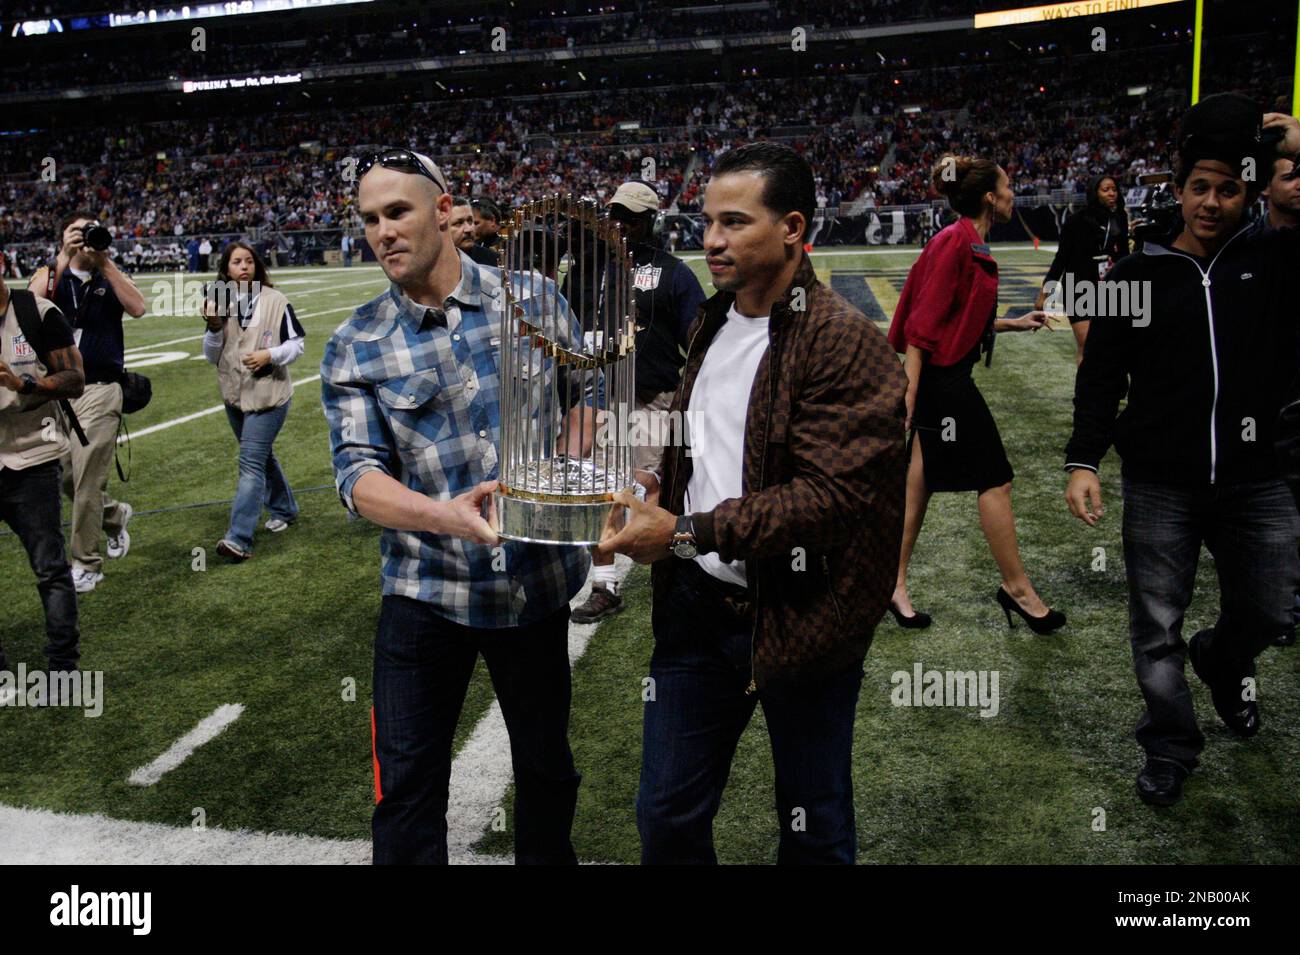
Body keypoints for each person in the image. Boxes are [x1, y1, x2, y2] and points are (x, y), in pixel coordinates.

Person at [598, 142, 907, 864]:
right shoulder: (712, 318)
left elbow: (828, 500)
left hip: (806, 614)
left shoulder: (846, 343)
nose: (711, 240)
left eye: (734, 223)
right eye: (707, 221)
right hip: (698, 616)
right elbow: (710, 438)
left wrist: (684, 531)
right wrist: (657, 487)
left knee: (813, 821)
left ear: (793, 227)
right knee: (667, 815)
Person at [320, 148, 597, 865]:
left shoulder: (532, 299)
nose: (382, 231)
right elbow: (357, 476)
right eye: (369, 219)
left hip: (535, 580)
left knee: (545, 766)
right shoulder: (356, 343)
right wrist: (449, 516)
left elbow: (585, 396)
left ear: (444, 210)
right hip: (425, 590)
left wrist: (567, 474)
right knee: (407, 790)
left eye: (397, 211)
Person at [1064, 96, 1300, 807]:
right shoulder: (1139, 274)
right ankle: (1170, 742)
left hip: (1258, 477)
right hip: (1161, 480)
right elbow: (1101, 375)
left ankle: (1223, 659)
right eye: (1200, 185)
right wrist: (1083, 459)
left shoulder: (1277, 260)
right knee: (1155, 620)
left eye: (1229, 188)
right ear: (1177, 188)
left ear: (1251, 190)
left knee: (1269, 610)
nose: (1211, 202)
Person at [887, 157, 1064, 634]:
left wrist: (1011, 323)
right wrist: (909, 394)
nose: (1012, 193)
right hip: (944, 381)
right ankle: (1017, 588)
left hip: (945, 375)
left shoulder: (966, 239)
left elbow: (956, 318)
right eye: (1008, 186)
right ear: (989, 195)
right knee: (996, 478)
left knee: (917, 484)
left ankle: (893, 581)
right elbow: (923, 328)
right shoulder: (955, 242)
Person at [571, 181, 706, 623]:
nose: (621, 225)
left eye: (631, 217)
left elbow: (700, 338)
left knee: (648, 488)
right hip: (604, 398)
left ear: (651, 220)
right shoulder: (589, 270)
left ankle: (674, 570)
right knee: (602, 488)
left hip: (654, 398)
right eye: (616, 215)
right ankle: (605, 585)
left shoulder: (673, 273)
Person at [29, 212, 145, 595]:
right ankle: (114, 515)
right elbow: (29, 309)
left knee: (87, 479)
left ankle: (86, 562)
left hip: (100, 387)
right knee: (65, 477)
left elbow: (138, 307)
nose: (85, 238)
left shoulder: (109, 276)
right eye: (78, 231)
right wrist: (63, 255)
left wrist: (105, 261)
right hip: (57, 392)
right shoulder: (52, 275)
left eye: (90, 231)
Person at [0, 274, 86, 674]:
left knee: (49, 567)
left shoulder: (36, 312)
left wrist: (26, 384)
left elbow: (74, 380)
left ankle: (62, 664)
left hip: (32, 457)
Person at [202, 241, 304, 561]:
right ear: (226, 270)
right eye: (236, 262)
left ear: (257, 266)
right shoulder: (220, 302)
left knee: (249, 465)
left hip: (269, 395)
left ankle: (238, 538)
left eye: (248, 261)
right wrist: (214, 326)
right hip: (235, 396)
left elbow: (297, 345)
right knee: (260, 457)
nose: (243, 267)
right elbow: (211, 355)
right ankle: (285, 508)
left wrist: (270, 355)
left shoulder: (275, 300)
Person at [1035, 173, 1130, 365]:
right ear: (1094, 193)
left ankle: (1105, 390)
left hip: (1108, 286)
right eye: (1106, 190)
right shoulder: (1076, 220)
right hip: (1078, 286)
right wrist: (1045, 294)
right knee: (1087, 346)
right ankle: (1086, 393)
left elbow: (1124, 256)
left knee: (1109, 345)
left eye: (1114, 189)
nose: (1112, 193)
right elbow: (1060, 259)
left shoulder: (1120, 217)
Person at [450, 196, 498, 266]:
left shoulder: (494, 261)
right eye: (459, 223)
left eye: (470, 221)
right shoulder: (432, 262)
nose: (469, 229)